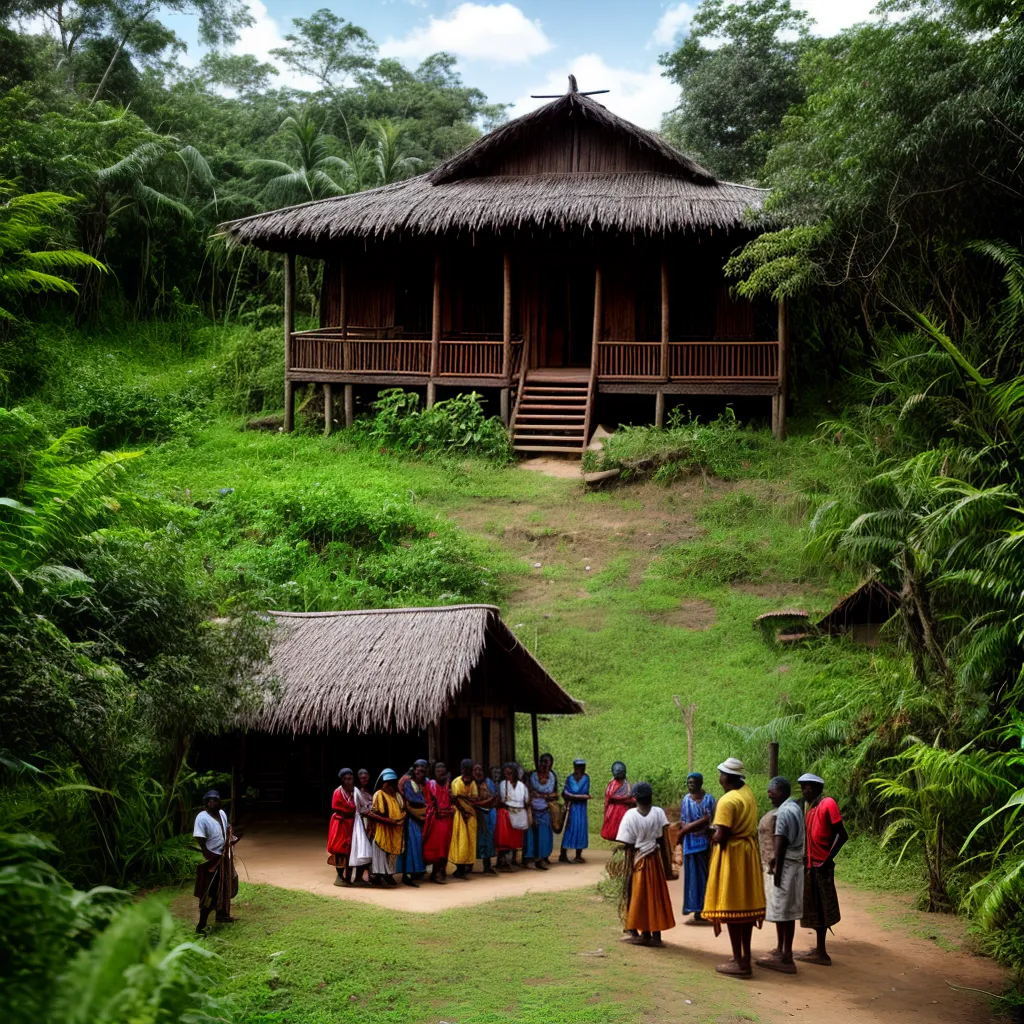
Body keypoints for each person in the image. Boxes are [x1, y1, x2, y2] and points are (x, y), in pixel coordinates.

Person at [701, 758, 766, 978]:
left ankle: (740, 962)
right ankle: (744, 957)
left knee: (732, 908)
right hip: (748, 853)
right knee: (745, 909)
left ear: (727, 777)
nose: (719, 778)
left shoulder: (727, 801)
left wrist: (709, 832)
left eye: (721, 774)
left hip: (732, 856)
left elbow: (722, 834)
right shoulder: (747, 792)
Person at [615, 781, 676, 947]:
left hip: (639, 859)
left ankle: (644, 933)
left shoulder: (630, 815)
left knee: (640, 896)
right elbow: (664, 839)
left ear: (635, 798)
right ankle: (656, 933)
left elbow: (627, 842)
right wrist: (668, 864)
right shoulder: (658, 813)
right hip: (654, 859)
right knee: (655, 895)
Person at [797, 772, 849, 966]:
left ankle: (822, 953)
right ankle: (819, 949)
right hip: (811, 865)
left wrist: (828, 859)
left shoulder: (828, 803)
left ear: (817, 788)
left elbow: (842, 834)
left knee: (822, 907)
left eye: (806, 787)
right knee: (814, 908)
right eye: (802, 787)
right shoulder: (810, 809)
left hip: (821, 866)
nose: (803, 791)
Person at [755, 776, 806, 974]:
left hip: (785, 868)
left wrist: (776, 872)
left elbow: (780, 845)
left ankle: (786, 957)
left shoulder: (784, 813)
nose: (769, 795)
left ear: (782, 791)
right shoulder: (795, 807)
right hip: (795, 866)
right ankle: (781, 949)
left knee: (783, 913)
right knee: (786, 912)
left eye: (771, 791)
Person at [193, 790, 239, 933]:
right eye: (211, 800)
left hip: (224, 857)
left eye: (216, 800)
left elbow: (226, 829)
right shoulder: (202, 818)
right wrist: (207, 853)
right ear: (206, 803)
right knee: (210, 890)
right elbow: (199, 837)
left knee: (226, 885)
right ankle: (201, 924)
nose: (214, 802)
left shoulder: (222, 814)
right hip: (212, 859)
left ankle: (222, 915)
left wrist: (230, 837)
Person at [678, 771, 716, 924]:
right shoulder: (686, 800)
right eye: (688, 783)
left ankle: (706, 907)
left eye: (693, 783)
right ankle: (695, 908)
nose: (690, 786)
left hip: (705, 843)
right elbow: (684, 822)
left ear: (700, 783)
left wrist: (687, 829)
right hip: (690, 844)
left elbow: (709, 820)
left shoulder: (709, 800)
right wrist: (686, 831)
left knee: (704, 876)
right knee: (692, 878)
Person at [367, 768, 406, 887]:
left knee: (392, 854)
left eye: (392, 783)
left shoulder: (397, 796)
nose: (390, 786)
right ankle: (377, 876)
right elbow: (374, 813)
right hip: (382, 830)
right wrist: (388, 821)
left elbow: (403, 809)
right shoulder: (379, 794)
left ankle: (388, 875)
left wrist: (398, 820)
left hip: (395, 830)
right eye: (388, 783)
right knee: (380, 853)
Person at [396, 759, 429, 887]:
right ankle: (407, 875)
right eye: (419, 771)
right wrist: (426, 805)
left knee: (417, 845)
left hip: (418, 817)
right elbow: (412, 799)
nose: (421, 773)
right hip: (410, 819)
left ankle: (415, 872)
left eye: (423, 771)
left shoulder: (419, 783)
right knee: (411, 846)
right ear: (414, 770)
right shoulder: (409, 783)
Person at [423, 761, 454, 884]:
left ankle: (441, 870)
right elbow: (428, 803)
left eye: (443, 767)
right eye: (438, 767)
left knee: (445, 846)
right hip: (435, 820)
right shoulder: (430, 784)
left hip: (447, 820)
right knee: (436, 847)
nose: (441, 769)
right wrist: (435, 810)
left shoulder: (447, 785)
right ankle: (435, 872)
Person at [524, 754, 558, 869]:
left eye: (546, 762)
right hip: (533, 809)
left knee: (544, 834)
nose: (544, 764)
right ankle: (529, 858)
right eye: (542, 761)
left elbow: (556, 794)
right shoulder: (532, 776)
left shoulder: (552, 777)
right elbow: (528, 791)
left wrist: (543, 795)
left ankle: (542, 857)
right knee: (531, 834)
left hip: (545, 808)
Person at [495, 761, 529, 870]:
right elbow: (504, 799)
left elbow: (526, 800)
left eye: (510, 773)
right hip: (506, 815)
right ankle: (502, 861)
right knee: (504, 839)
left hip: (519, 814)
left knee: (515, 839)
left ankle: (512, 860)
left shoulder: (522, 786)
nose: (508, 776)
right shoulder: (503, 784)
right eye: (506, 773)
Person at [450, 758, 479, 878]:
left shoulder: (473, 783)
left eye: (469, 769)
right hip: (459, 814)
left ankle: (467, 865)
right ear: (462, 770)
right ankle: (459, 867)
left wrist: (466, 801)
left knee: (470, 840)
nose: (467, 772)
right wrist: (463, 811)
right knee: (461, 840)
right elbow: (455, 799)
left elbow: (475, 799)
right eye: (465, 769)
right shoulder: (456, 782)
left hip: (471, 814)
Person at [327, 768, 357, 886]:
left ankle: (348, 877)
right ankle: (339, 876)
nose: (349, 781)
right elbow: (335, 806)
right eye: (346, 779)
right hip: (340, 823)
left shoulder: (354, 792)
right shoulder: (338, 792)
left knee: (351, 849)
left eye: (351, 778)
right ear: (342, 780)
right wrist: (348, 811)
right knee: (340, 849)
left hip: (351, 823)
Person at [559, 758, 591, 863]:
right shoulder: (570, 778)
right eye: (578, 766)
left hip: (581, 808)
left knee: (581, 829)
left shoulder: (586, 778)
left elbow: (581, 792)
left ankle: (578, 855)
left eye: (582, 766)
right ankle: (563, 853)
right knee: (570, 829)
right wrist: (579, 796)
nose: (580, 768)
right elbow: (565, 793)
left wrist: (572, 796)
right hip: (572, 807)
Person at [350, 768, 374, 886]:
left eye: (366, 777)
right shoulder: (356, 791)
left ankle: (367, 875)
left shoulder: (369, 791)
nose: (364, 779)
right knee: (360, 848)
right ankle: (358, 877)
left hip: (370, 822)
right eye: (361, 777)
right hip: (361, 822)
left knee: (368, 849)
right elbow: (360, 808)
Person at [601, 762, 636, 841]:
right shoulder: (613, 783)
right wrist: (626, 799)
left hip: (623, 808)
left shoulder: (625, 783)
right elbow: (610, 796)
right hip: (615, 809)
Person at [473, 763, 498, 875]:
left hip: (487, 814)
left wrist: (486, 803)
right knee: (474, 840)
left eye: (480, 769)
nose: (478, 772)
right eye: (476, 770)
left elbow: (494, 797)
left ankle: (487, 865)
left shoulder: (488, 782)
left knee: (488, 839)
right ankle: (468, 866)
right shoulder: (471, 784)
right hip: (474, 814)